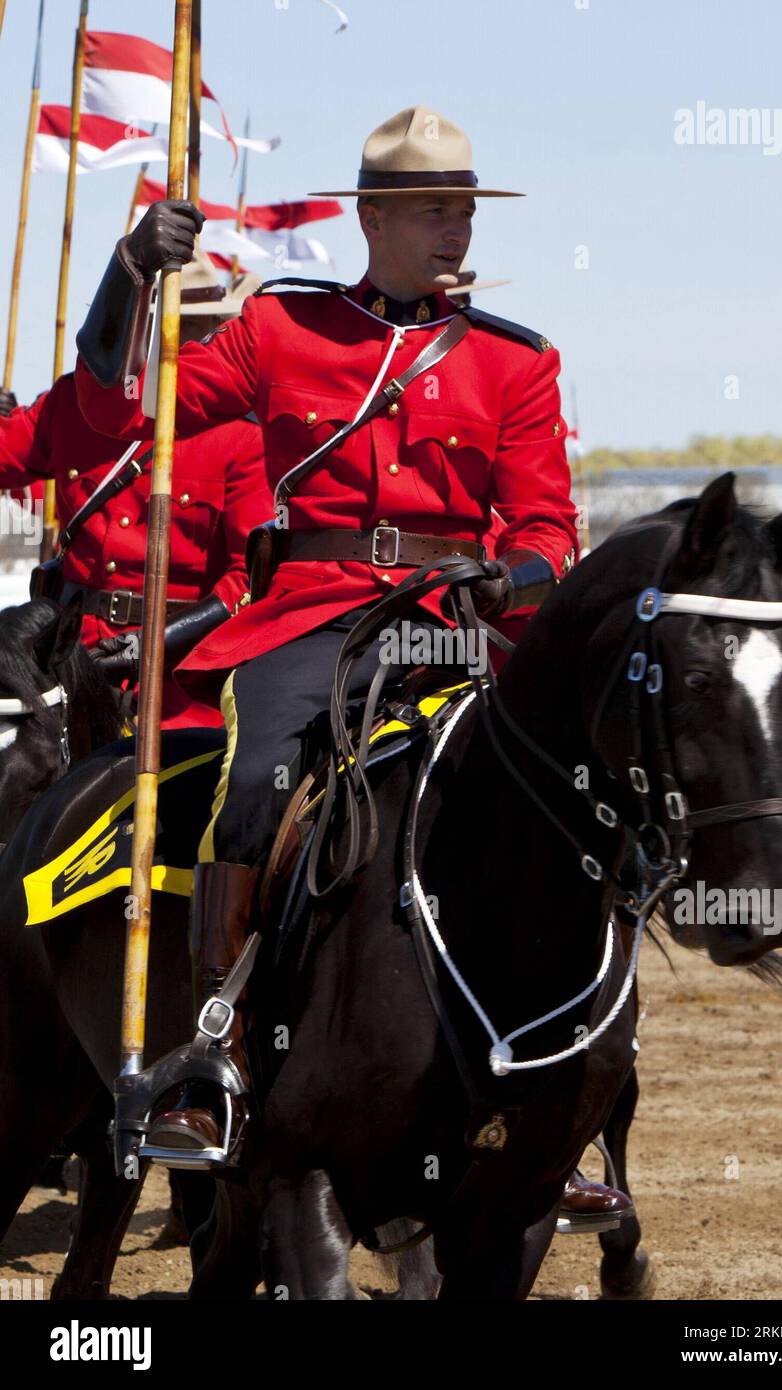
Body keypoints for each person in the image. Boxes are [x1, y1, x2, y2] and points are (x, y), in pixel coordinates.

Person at [74, 104, 628, 1229]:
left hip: (451, 625)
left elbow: (548, 530)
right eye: (432, 209)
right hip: (307, 620)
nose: (454, 230)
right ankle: (216, 1054)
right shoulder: (281, 332)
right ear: (371, 216)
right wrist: (132, 272)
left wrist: (506, 583)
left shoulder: (516, 362)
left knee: (565, 805)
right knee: (255, 785)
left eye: (464, 210)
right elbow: (133, 399)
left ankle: (559, 1088)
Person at [0, 252, 270, 728]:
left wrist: (157, 643)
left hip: (181, 684)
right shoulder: (73, 404)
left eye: (196, 330)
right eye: (169, 330)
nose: (184, 345)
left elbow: (248, 577)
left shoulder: (241, 436)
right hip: (70, 664)